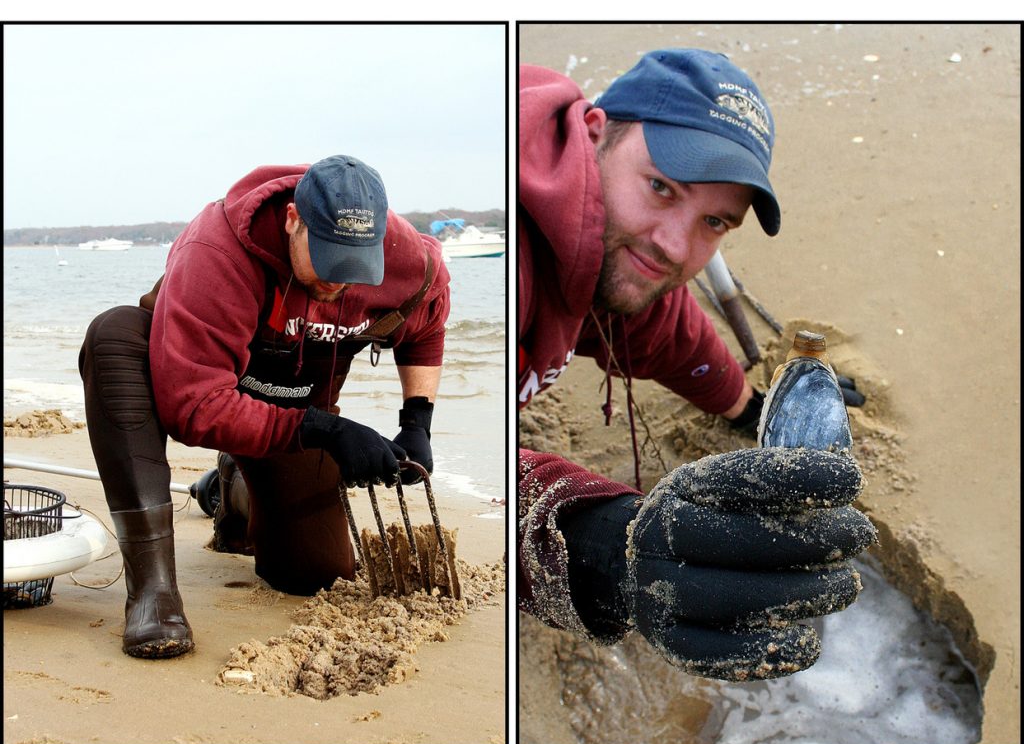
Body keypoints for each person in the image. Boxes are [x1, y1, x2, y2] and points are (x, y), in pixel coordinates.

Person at [518, 49, 876, 681]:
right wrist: (603, 545)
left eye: (713, 220)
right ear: (596, 132)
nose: (676, 245)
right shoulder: (505, 261)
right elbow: (442, 465)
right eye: (661, 187)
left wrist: (745, 407)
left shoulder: (608, 243)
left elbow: (667, 333)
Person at [79, 155, 450, 659]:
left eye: (353, 268)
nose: (336, 284)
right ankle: (153, 592)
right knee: (114, 336)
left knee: (313, 574)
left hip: (294, 409)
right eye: (326, 260)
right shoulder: (216, 249)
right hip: (209, 384)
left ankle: (235, 488)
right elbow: (195, 407)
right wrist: (325, 431)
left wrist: (417, 422)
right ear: (293, 219)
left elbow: (426, 322)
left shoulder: (408, 258)